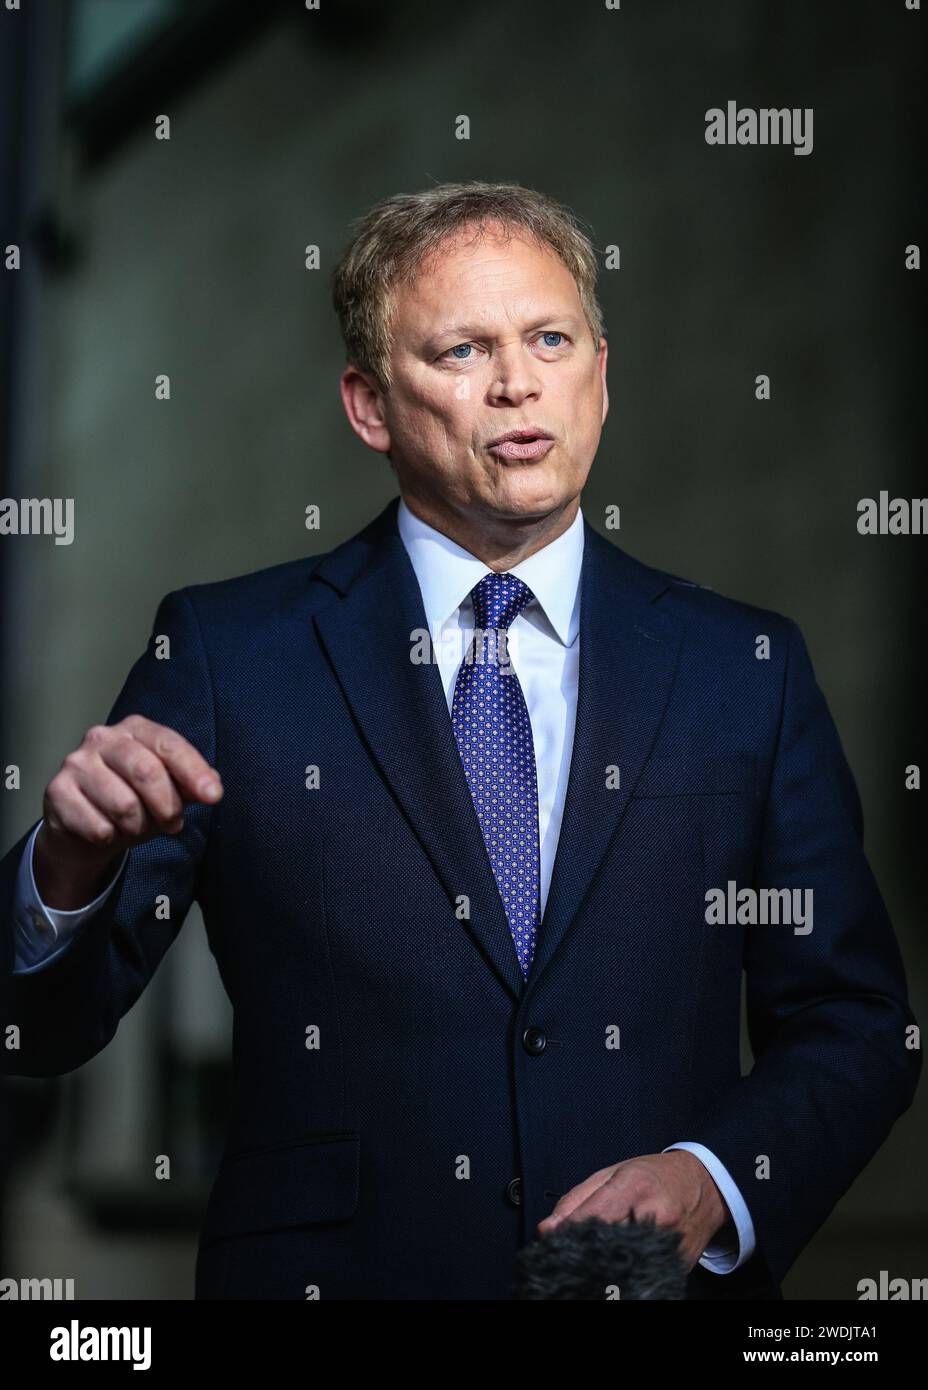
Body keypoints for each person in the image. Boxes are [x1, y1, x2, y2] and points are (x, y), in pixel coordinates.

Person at [0, 182, 919, 1300]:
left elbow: (855, 1022)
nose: (517, 382)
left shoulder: (745, 670)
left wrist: (713, 1179)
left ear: (601, 372)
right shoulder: (228, 655)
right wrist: (69, 868)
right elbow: (32, 1033)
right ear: (370, 406)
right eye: (460, 349)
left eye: (548, 338)